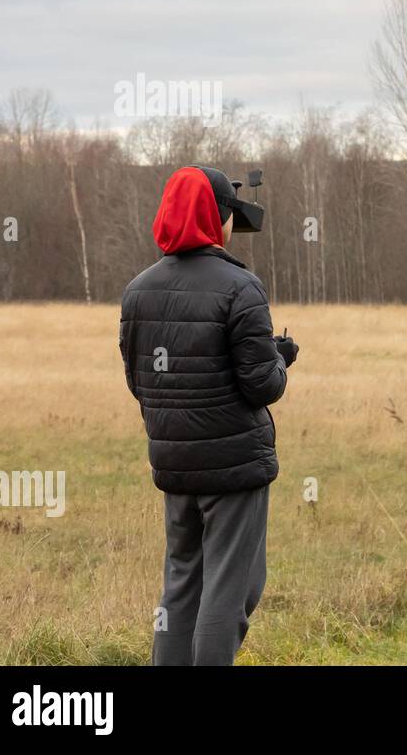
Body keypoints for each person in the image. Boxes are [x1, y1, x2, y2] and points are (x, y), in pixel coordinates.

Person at [119, 165, 298, 665]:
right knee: (229, 592)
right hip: (234, 467)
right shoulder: (241, 287)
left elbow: (140, 381)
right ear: (217, 218)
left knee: (181, 587)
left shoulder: (138, 290)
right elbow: (263, 384)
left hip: (175, 463)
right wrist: (279, 356)